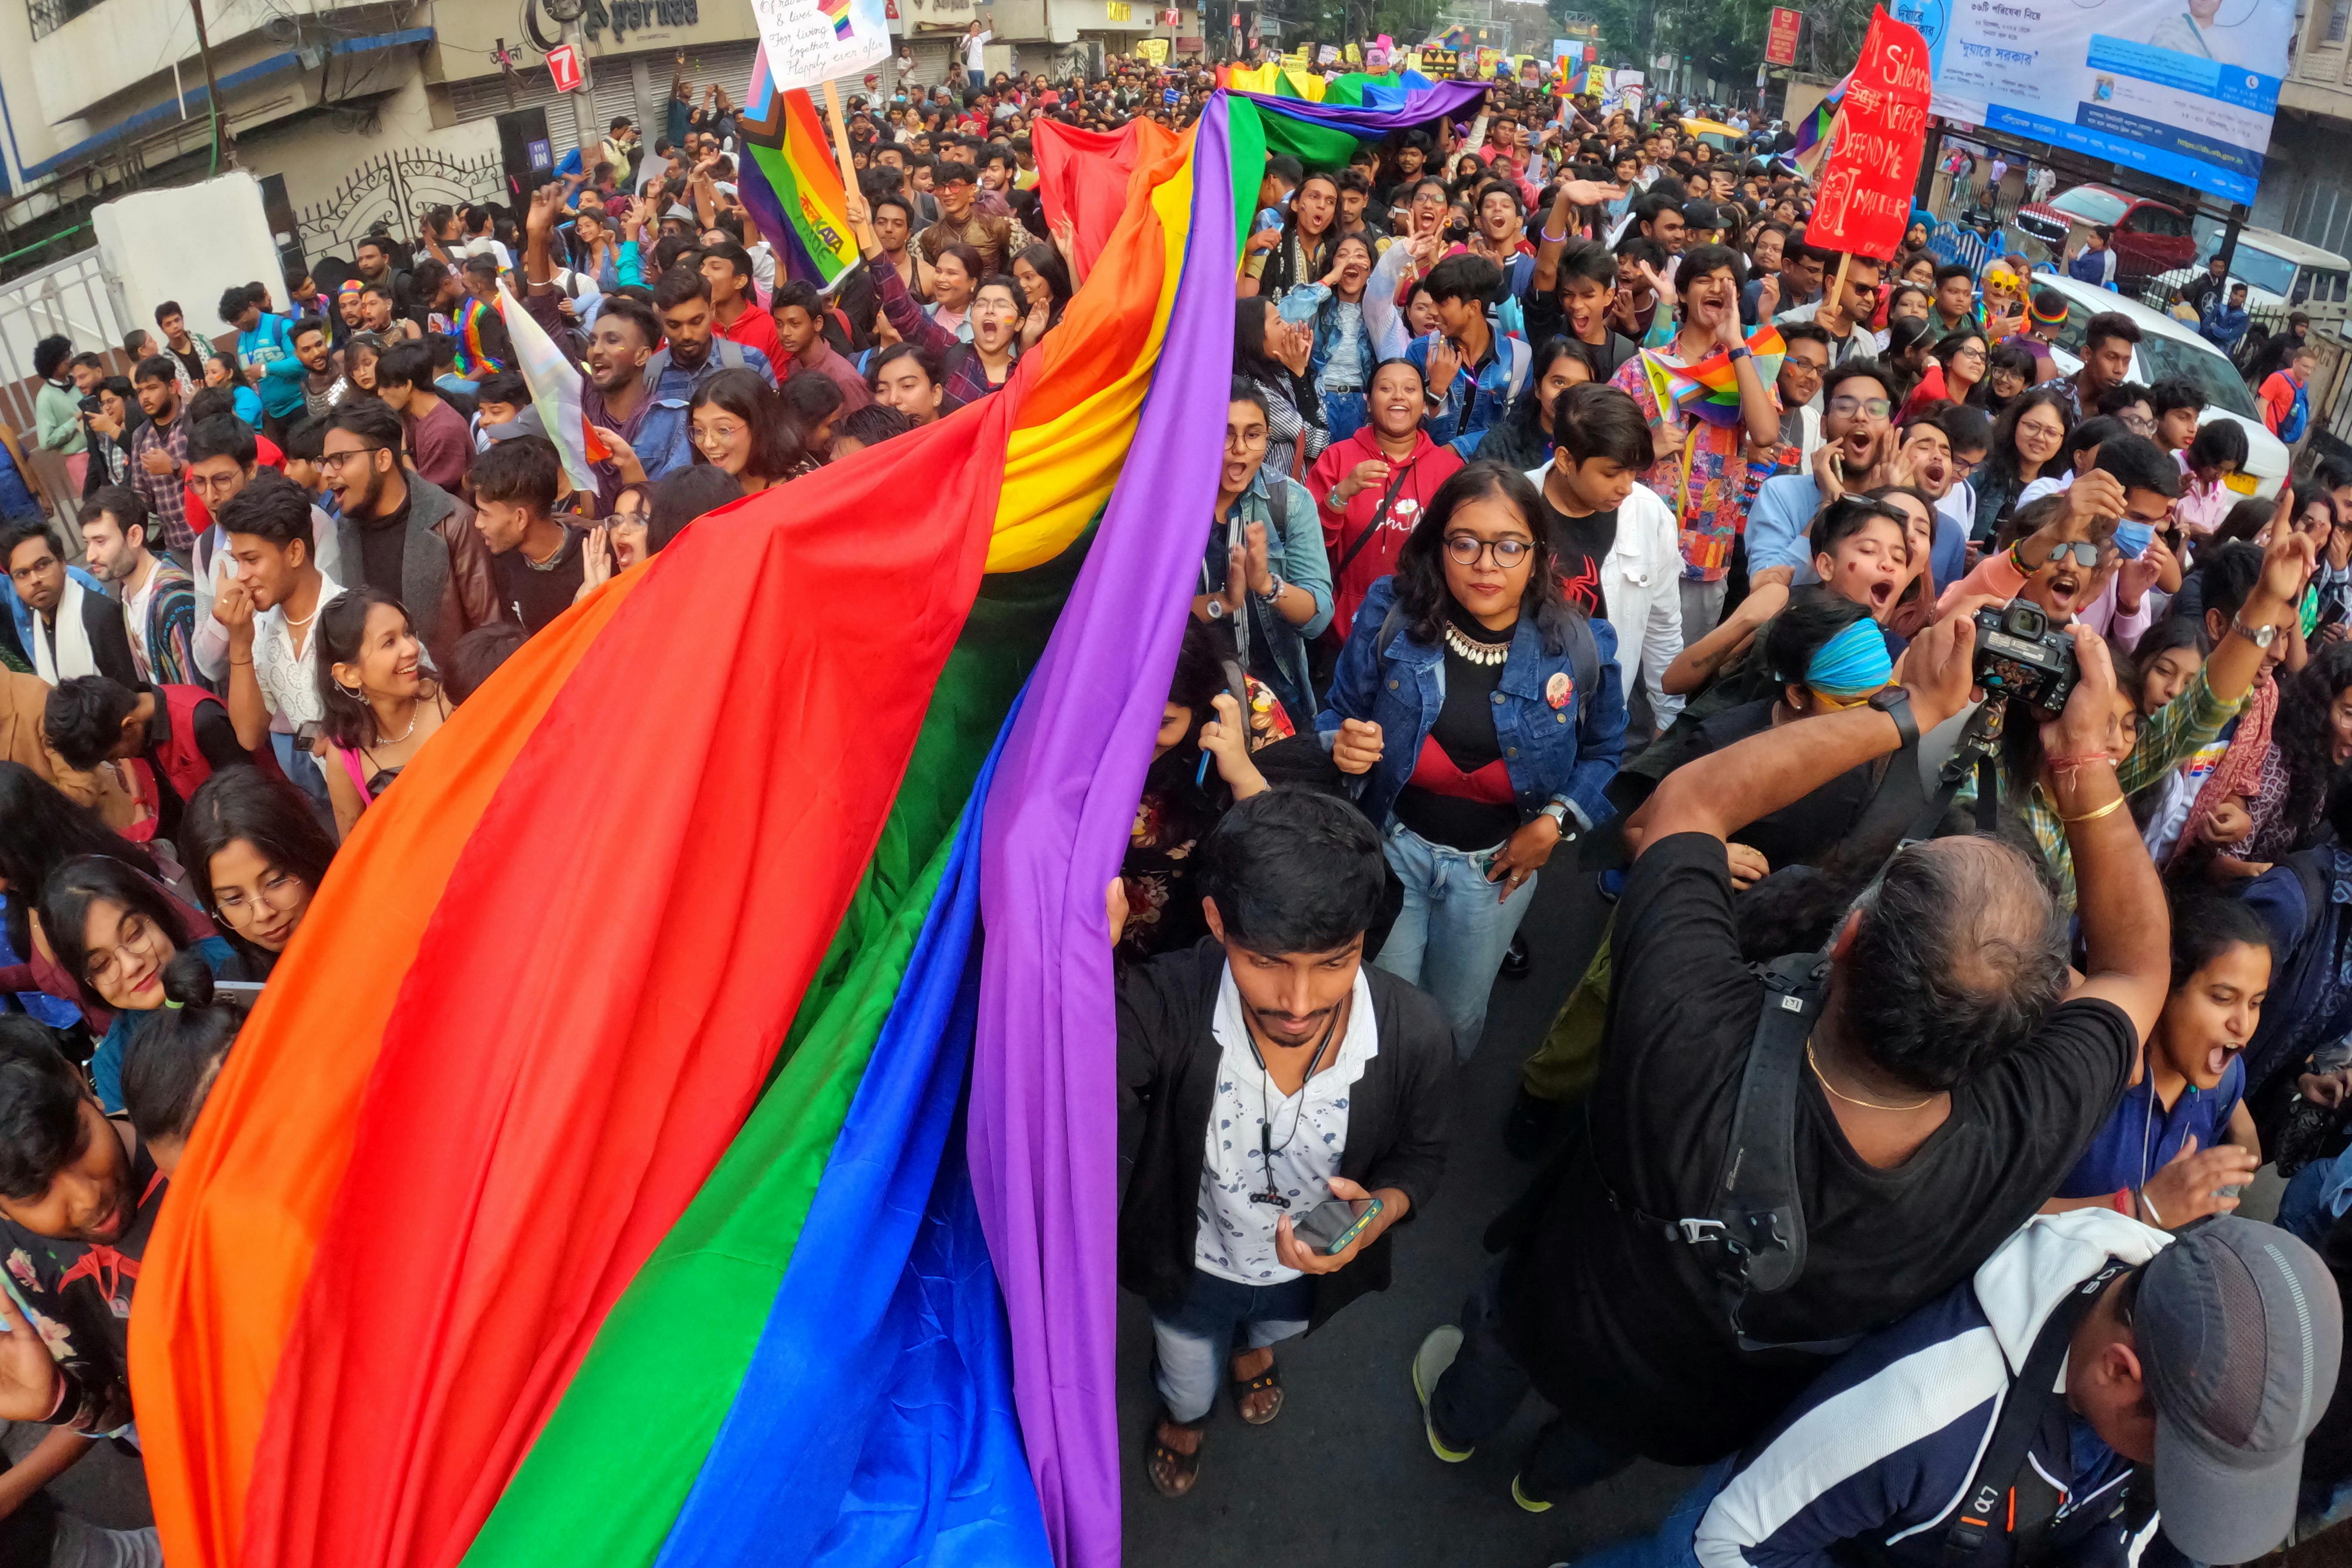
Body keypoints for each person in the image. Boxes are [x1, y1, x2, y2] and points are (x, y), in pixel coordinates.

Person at [1415, 607, 2168, 1506]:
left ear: (1846, 937)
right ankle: (1540, 1486)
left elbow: (1685, 807)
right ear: (2034, 1023)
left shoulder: (1691, 1019)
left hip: (1565, 1307)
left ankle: (1454, 1427)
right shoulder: (2020, 1135)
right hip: (1698, 1404)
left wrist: (1907, 710)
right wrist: (2086, 765)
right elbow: (2136, 968)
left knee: (1493, 1358)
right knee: (1596, 1445)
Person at [1605, 1214, 2342, 1568]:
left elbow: (2132, 1514)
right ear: (2119, 1370)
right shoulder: (1927, 1407)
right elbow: (1725, 1540)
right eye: (2181, 1463)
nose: (2182, 1486)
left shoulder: (2169, 1281)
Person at [1114, 787, 1453, 1500]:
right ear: (1216, 922)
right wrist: (1079, 966)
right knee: (1184, 1367)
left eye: (1335, 962)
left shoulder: (1415, 1034)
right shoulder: (1164, 1004)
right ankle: (1185, 1414)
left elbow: (1419, 1161)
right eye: (1267, 962)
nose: (1299, 1004)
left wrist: (1375, 1214)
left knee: (1269, 1330)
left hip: (1304, 1282)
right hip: (1191, 1265)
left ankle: (1254, 1355)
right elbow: (1070, 1089)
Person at [1319, 462, 1625, 1056]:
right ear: (1439, 547)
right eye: (1466, 544)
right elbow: (1336, 714)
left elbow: (1606, 751)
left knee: (1455, 1020)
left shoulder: (1579, 645)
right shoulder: (1392, 615)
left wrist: (1556, 822)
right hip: (1393, 849)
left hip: (1495, 873)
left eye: (1509, 546)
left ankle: (1430, 1117)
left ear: (1538, 554)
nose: (1487, 565)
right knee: (1380, 1009)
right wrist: (1341, 743)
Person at [1614, 245, 1780, 640]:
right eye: (1705, 280)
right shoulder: (1645, 367)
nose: (1717, 288)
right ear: (1684, 292)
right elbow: (1601, 440)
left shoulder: (1746, 369)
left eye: (1728, 283)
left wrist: (1736, 343)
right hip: (1636, 545)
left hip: (1704, 555)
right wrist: (1644, 449)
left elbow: (1767, 434)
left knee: (1678, 676)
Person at [1529, 384, 1682, 734]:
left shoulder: (1649, 515)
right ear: (1567, 460)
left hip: (1603, 716)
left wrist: (1667, 717)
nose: (1626, 487)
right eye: (1612, 473)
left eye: (1634, 471)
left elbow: (1663, 625)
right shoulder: (1513, 509)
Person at [39, 853, 239, 1113]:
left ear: (157, 917)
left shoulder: (234, 957)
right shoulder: (114, 1065)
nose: (132, 966)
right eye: (101, 965)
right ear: (88, 982)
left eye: (135, 934)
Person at [319, 402, 506, 675]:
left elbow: (489, 631)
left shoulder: (452, 523)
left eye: (341, 459)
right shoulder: (345, 530)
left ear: (383, 459)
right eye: (324, 462)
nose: (326, 474)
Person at [1196, 382, 1333, 723]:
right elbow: (1150, 617)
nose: (1239, 449)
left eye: (1253, 435)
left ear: (1268, 438)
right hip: (1191, 693)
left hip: (1275, 700)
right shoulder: (1171, 505)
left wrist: (1267, 585)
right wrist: (1223, 602)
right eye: (1225, 433)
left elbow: (1318, 617)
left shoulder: (1291, 502)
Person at [1308, 359, 1463, 639]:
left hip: (1424, 623)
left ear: (1424, 401)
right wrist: (1341, 494)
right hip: (1346, 626)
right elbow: (1311, 547)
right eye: (1386, 388)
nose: (1399, 396)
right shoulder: (1338, 458)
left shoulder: (1449, 470)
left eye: (1410, 389)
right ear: (1368, 401)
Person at [210, 470, 339, 803]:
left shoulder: (356, 618)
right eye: (237, 561)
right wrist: (239, 641)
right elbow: (250, 735)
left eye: (252, 560)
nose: (242, 576)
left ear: (295, 553)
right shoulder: (263, 630)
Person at [41, 674, 255, 843]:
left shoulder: (202, 721)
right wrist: (139, 804)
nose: (118, 762)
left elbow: (248, 803)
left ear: (129, 726)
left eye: (114, 757)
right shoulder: (128, 718)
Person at [314, 586, 452, 839]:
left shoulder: (452, 702)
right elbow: (356, 850)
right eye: (389, 642)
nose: (412, 648)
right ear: (349, 675)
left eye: (408, 633)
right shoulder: (346, 755)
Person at [177, 764, 335, 980]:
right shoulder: (244, 988)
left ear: (308, 857)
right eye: (233, 899)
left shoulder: (382, 921)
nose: (263, 914)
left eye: (276, 881)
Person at [635, 268, 775, 480]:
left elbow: (773, 433)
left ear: (712, 309)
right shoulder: (649, 375)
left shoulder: (750, 362)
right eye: (674, 325)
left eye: (696, 321)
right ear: (660, 318)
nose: (687, 335)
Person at [75, 485, 193, 687]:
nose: (90, 556)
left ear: (135, 536)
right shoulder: (128, 592)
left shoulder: (175, 603)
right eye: (88, 542)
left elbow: (201, 699)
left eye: (100, 541)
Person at [3, 524, 134, 689]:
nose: (35, 579)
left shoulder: (99, 616)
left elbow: (132, 694)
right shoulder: (38, 618)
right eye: (22, 574)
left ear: (63, 563)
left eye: (42, 565)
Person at [686, 369, 806, 497]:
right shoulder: (705, 488)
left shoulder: (801, 488)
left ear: (759, 426)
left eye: (723, 430)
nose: (708, 444)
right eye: (699, 430)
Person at [128, 355, 196, 557]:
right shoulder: (141, 437)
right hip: (176, 545)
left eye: (152, 388)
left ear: (173, 386)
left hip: (212, 536)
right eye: (140, 391)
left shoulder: (195, 420)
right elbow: (141, 494)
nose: (145, 398)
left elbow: (219, 471)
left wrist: (174, 467)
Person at [771, 280, 872, 414]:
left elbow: (865, 430)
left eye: (795, 324)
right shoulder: (796, 365)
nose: (785, 333)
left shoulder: (843, 379)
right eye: (779, 324)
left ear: (818, 324)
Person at [2042, 310, 2139, 423]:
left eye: (2126, 361)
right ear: (2087, 354)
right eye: (2111, 358)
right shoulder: (2048, 397)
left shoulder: (2123, 414)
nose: (2119, 370)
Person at [2263, 344, 2316, 443]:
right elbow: (2262, 404)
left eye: (2312, 369)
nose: (2309, 372)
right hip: (2267, 436)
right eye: (2305, 367)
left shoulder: (2304, 385)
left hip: (2283, 440)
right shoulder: (2278, 379)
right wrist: (2262, 431)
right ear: (2295, 362)